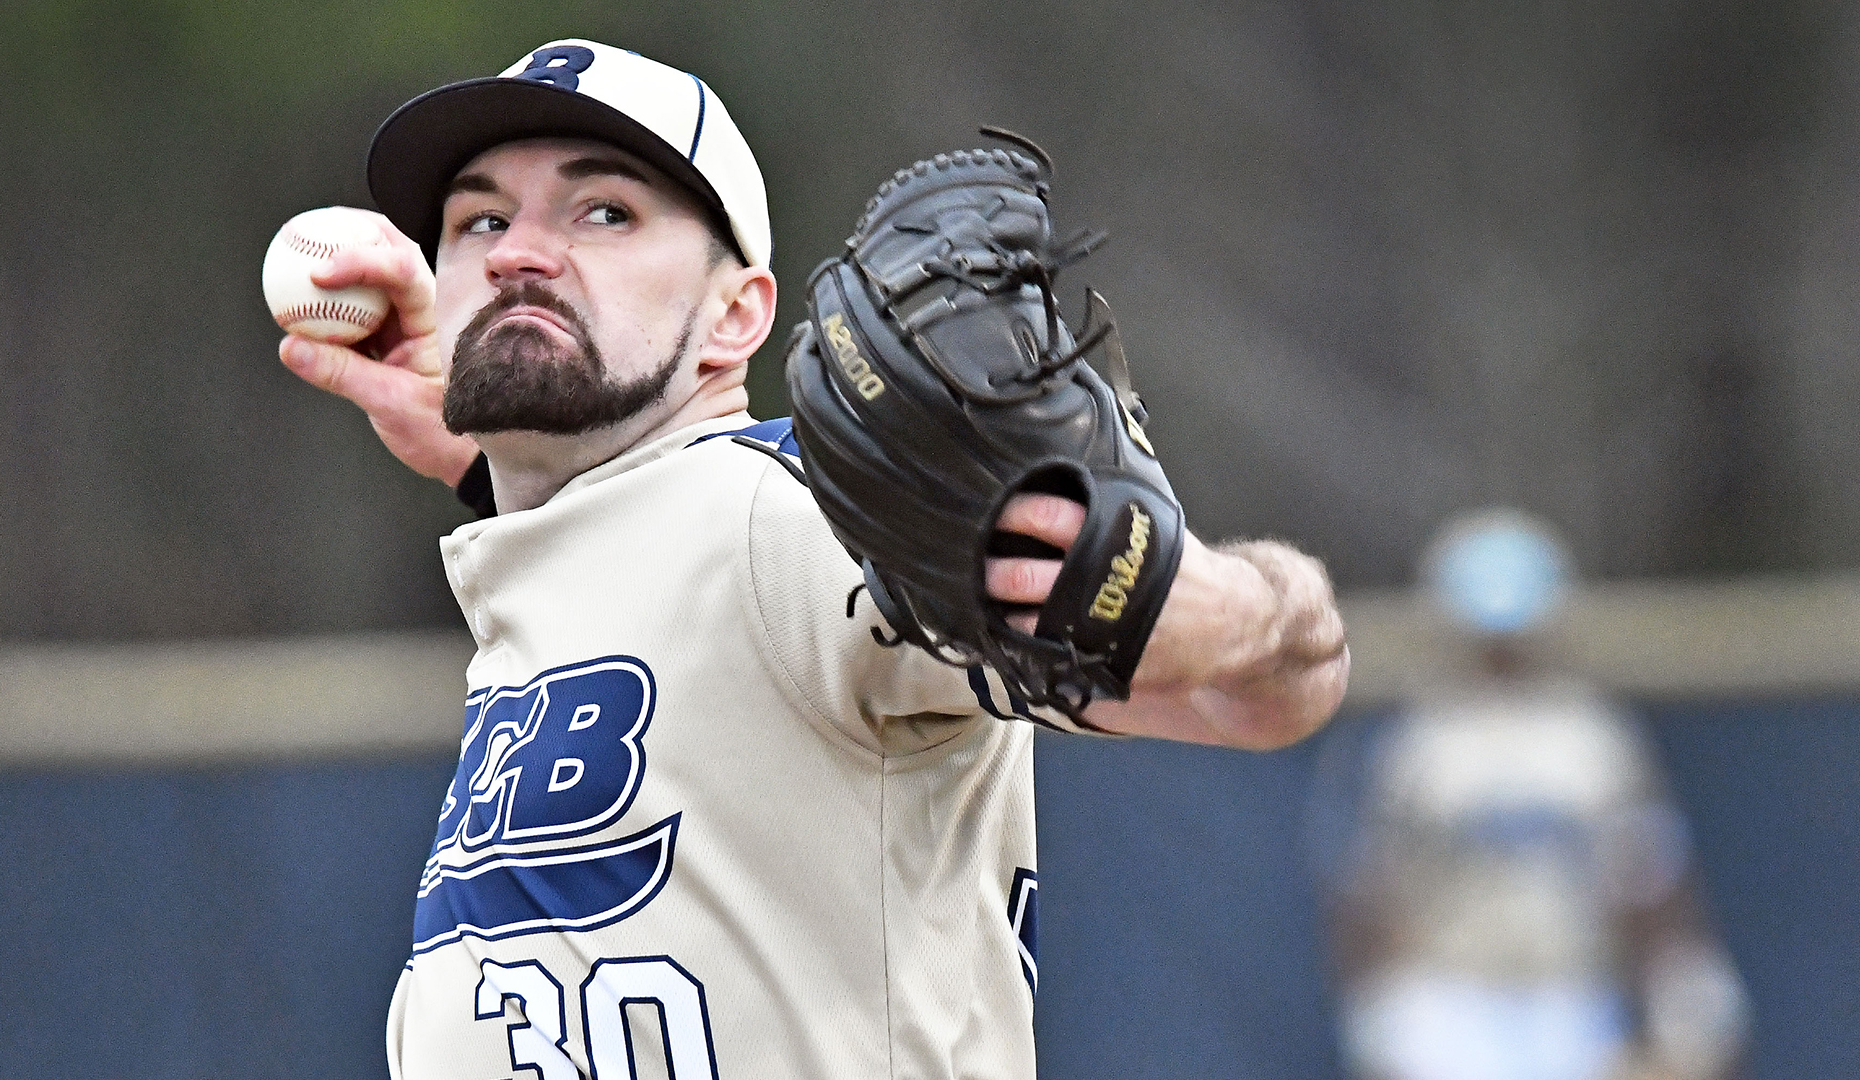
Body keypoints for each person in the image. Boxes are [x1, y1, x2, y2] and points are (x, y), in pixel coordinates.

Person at [278, 38, 1350, 1080]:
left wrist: (1214, 607)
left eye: (604, 211)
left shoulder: (781, 520)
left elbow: (1260, 695)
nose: (518, 251)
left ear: (734, 317)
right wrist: (493, 463)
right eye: (480, 220)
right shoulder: (560, 556)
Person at [1313, 510, 1748, 1080]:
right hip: (1449, 1004)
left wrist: (1685, 990)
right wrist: (1377, 1006)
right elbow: (1372, 892)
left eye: (1513, 636)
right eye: (1487, 637)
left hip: (1569, 1001)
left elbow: (1647, 882)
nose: (1502, 652)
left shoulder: (1592, 740)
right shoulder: (1414, 746)